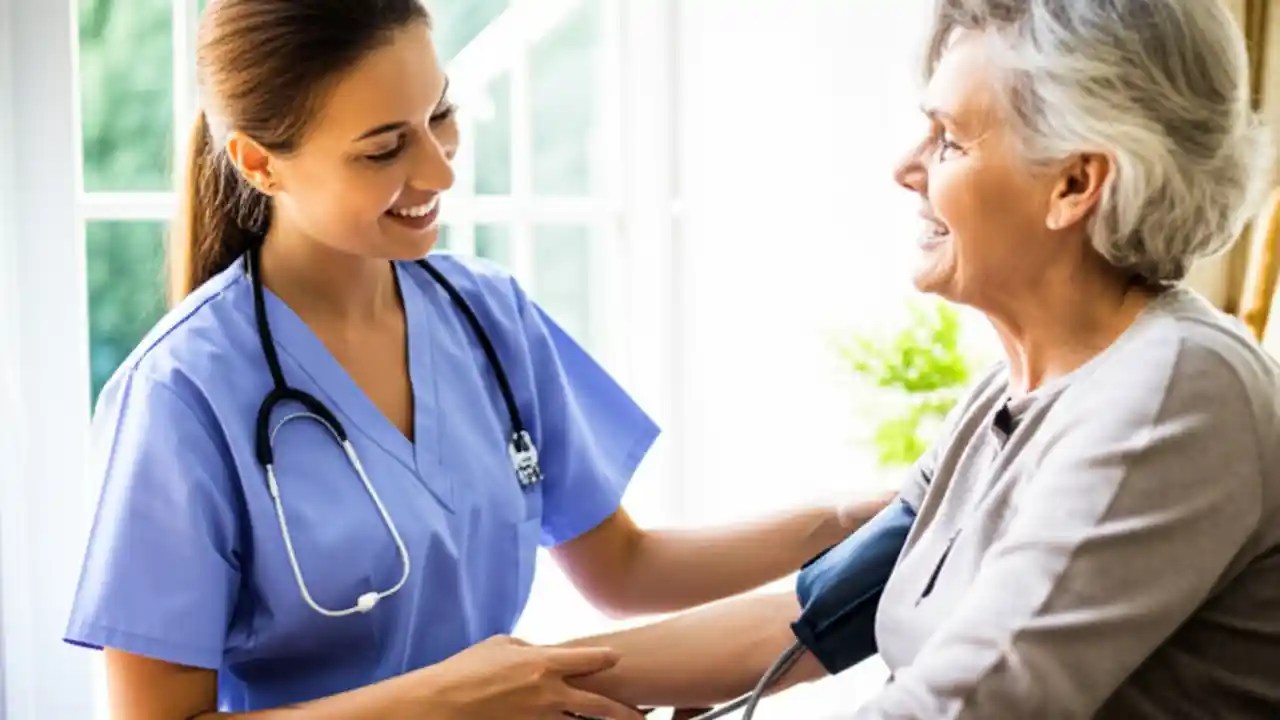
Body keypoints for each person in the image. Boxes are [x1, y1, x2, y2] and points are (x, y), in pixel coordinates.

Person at [61, 1, 892, 717]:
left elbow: (624, 567)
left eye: (441, 115)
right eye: (384, 148)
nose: (439, 167)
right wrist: (445, 702)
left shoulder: (487, 315)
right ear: (258, 163)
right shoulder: (182, 394)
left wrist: (866, 518)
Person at [554, 0, 1280, 717]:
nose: (907, 167)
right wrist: (525, 687)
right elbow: (807, 621)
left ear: (1075, 185)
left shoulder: (1176, 393)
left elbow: (966, 702)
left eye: (950, 140)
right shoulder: (1007, 397)